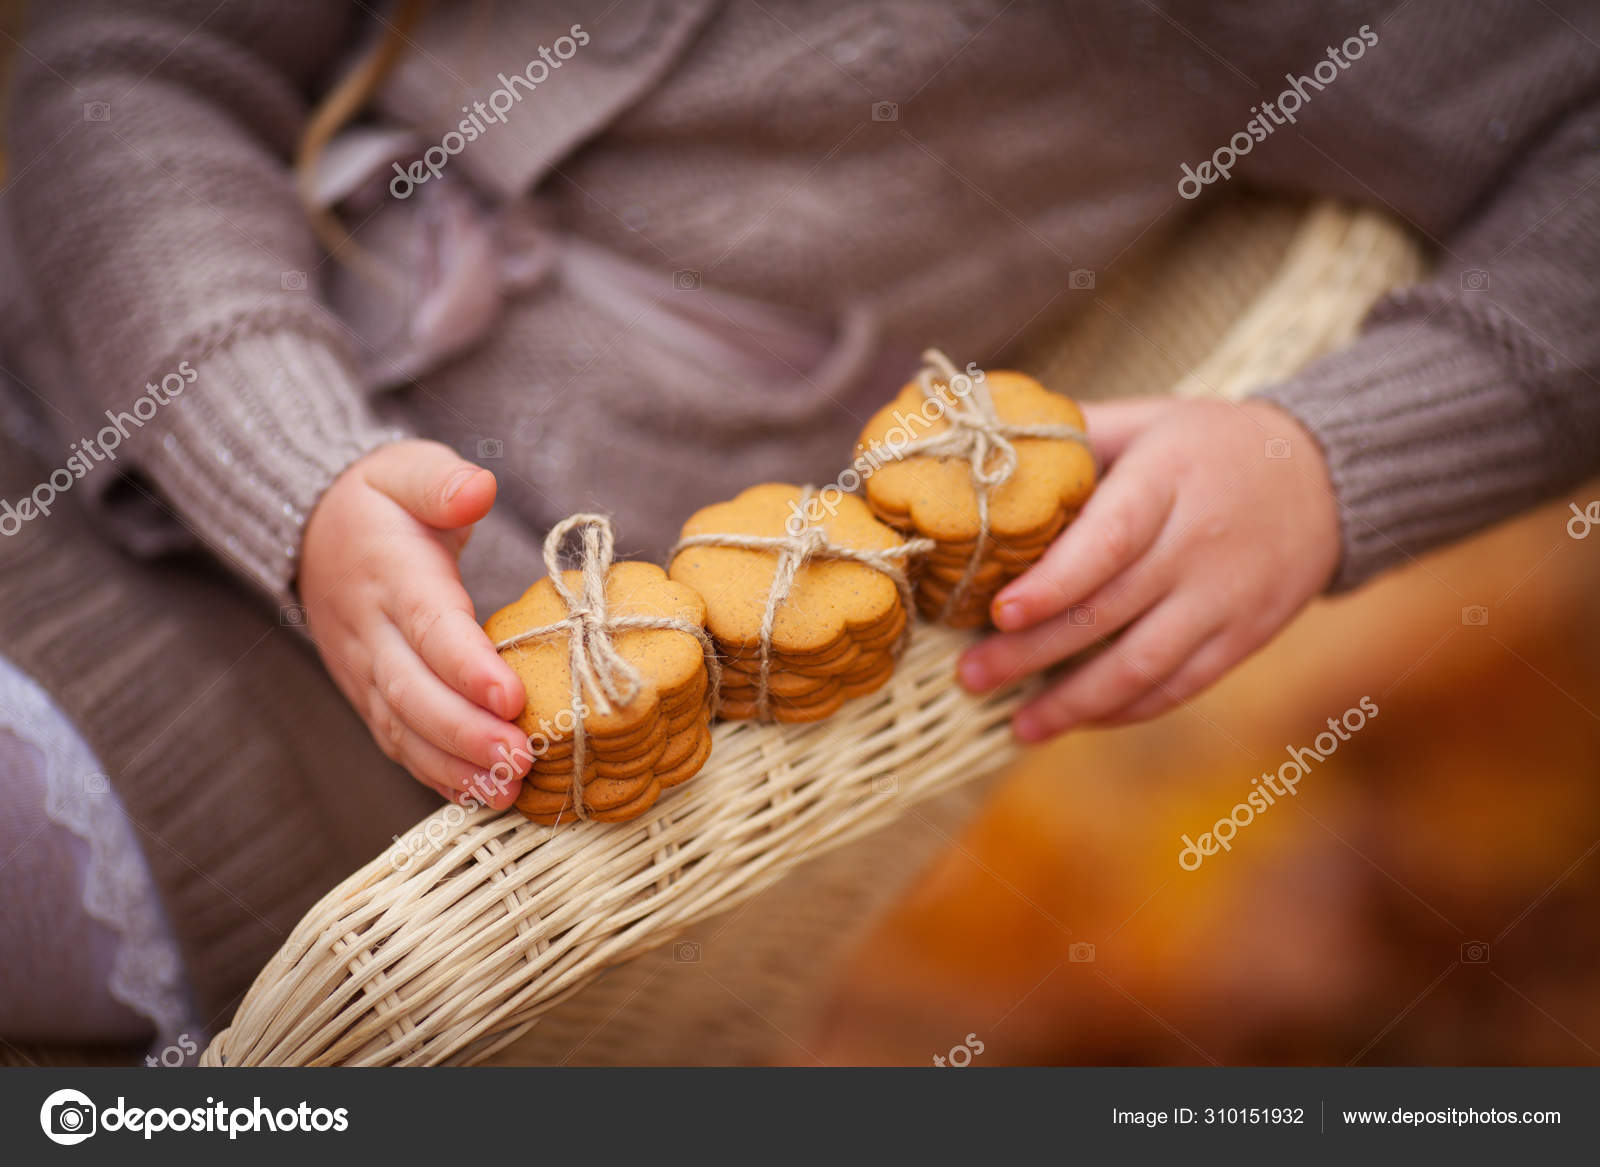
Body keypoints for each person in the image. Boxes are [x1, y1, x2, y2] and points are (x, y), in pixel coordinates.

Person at [1, 0, 1596, 1047]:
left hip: (405, 682)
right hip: (82, 329)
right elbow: (137, 53)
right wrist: (275, 452)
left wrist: (1337, 454)